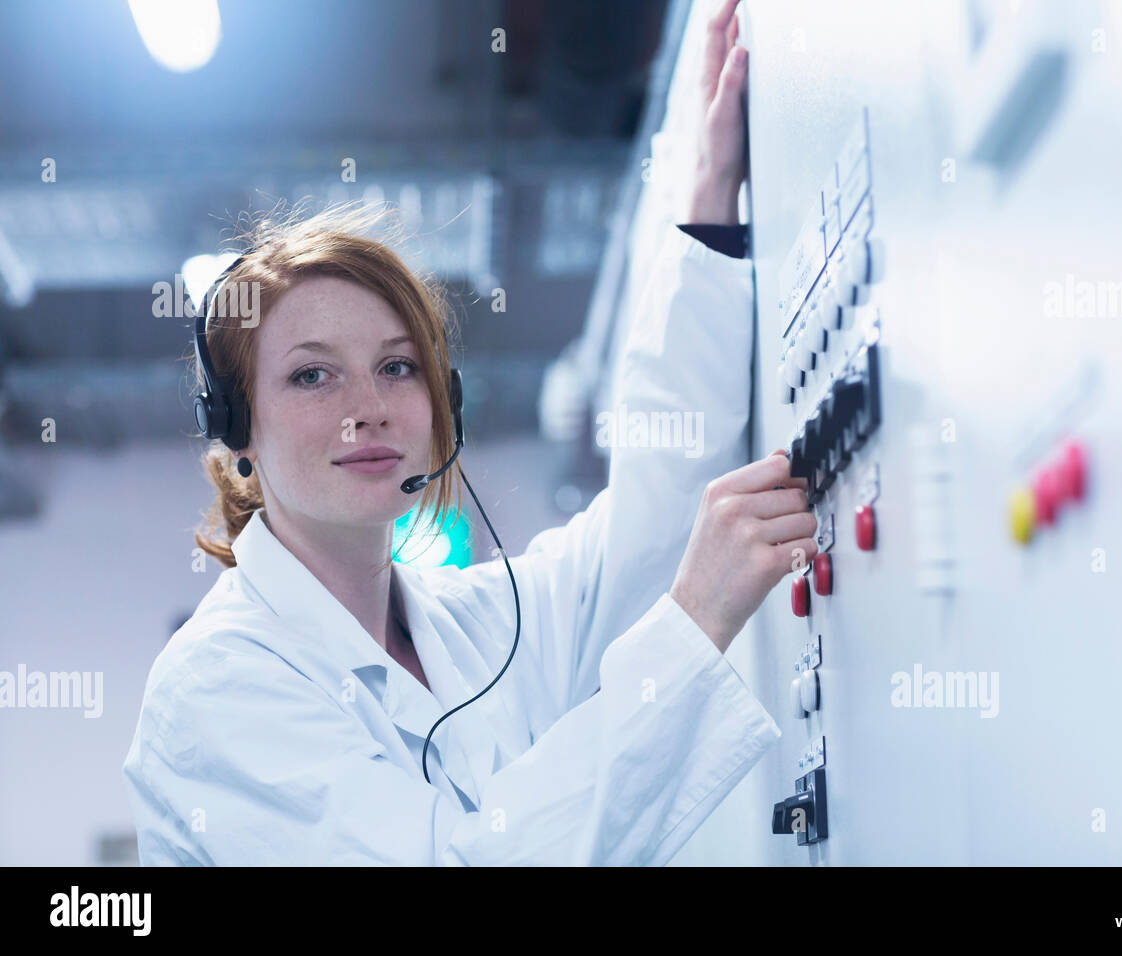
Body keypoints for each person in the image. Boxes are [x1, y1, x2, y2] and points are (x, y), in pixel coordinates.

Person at [122, 0, 819, 865]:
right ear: (237, 430)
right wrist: (698, 618)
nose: (367, 405)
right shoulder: (219, 685)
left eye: (398, 366)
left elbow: (656, 528)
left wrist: (710, 214)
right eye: (312, 374)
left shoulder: (470, 624)